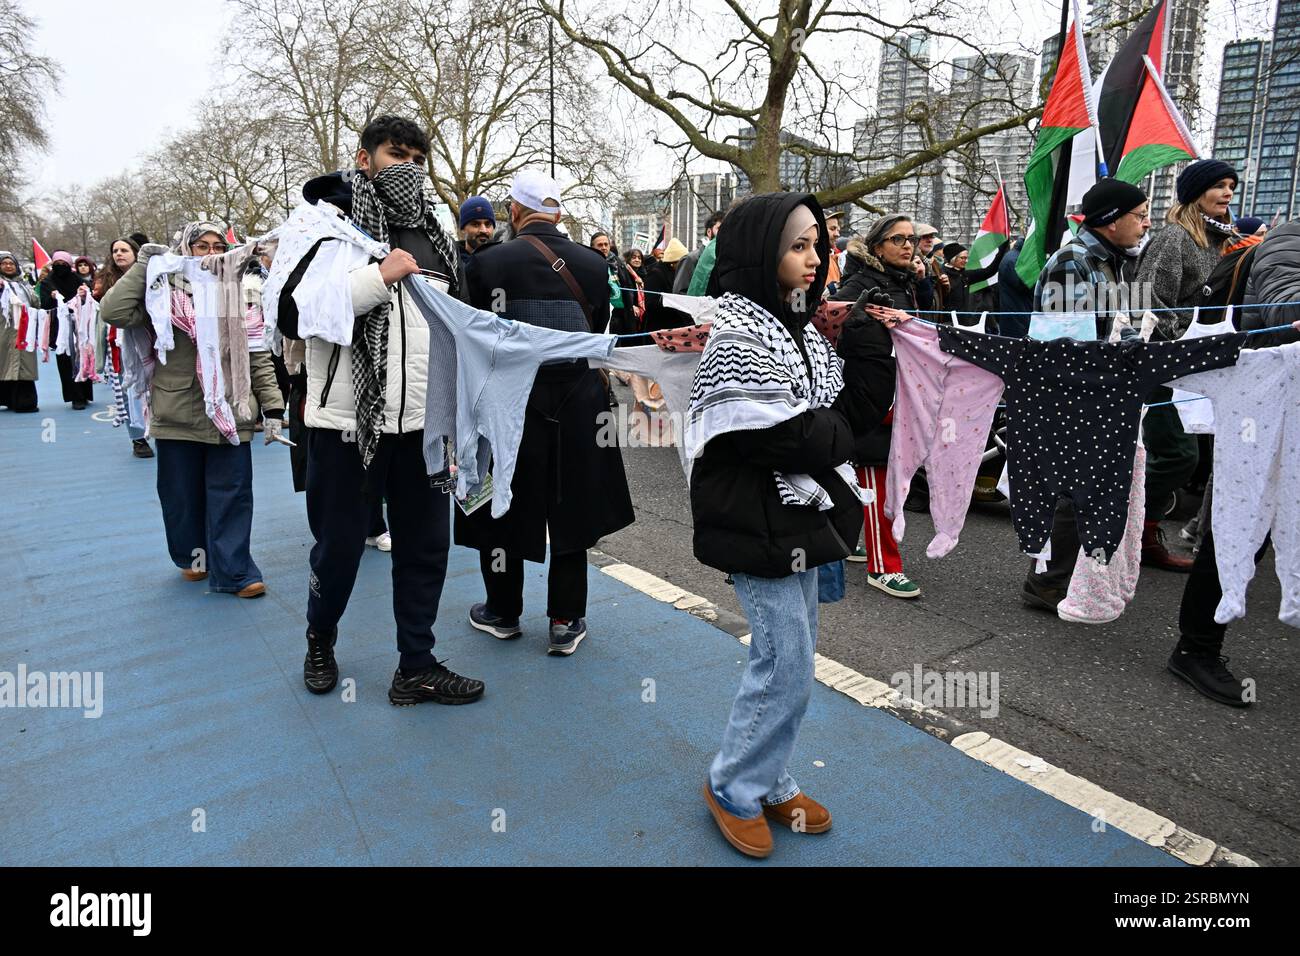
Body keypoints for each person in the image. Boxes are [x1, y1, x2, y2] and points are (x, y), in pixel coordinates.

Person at [691, 192, 895, 858]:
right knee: (784, 664)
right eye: (798, 245)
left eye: (818, 245)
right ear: (759, 251)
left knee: (792, 659)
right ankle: (732, 786)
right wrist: (836, 434)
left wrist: (868, 348)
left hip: (797, 520)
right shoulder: (737, 331)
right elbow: (789, 438)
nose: (814, 259)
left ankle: (768, 778)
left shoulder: (803, 330)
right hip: (754, 520)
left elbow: (847, 418)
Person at [280, 114, 484, 706]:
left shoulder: (437, 237)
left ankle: (415, 665)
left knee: (425, 548)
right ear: (364, 158)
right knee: (339, 547)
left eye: (419, 158)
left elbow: (461, 327)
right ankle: (320, 637)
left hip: (423, 426)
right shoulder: (325, 231)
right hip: (345, 426)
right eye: (397, 154)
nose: (410, 167)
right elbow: (293, 314)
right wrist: (376, 277)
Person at [459, 169, 635, 656]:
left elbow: (474, 336)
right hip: (578, 397)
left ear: (514, 211)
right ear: (558, 212)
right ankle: (565, 619)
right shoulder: (595, 265)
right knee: (574, 503)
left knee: (502, 500)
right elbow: (597, 328)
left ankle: (502, 610)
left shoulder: (488, 263)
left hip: (511, 400)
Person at [100, 222, 283, 597]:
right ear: (185, 249)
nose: (211, 253)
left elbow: (258, 355)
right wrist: (143, 265)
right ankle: (192, 557)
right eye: (202, 246)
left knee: (233, 492)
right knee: (181, 495)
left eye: (218, 246)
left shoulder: (241, 290)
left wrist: (273, 406)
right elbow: (113, 311)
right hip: (177, 408)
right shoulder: (160, 292)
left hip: (232, 410)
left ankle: (236, 572)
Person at [1165, 217, 1300, 707]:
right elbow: (1284, 300)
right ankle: (1196, 648)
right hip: (1269, 413)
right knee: (1240, 528)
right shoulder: (1288, 241)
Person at [1021, 178, 1151, 612]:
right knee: (1073, 488)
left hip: (1102, 391)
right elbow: (1065, 344)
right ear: (1111, 221)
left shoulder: (1113, 261)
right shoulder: (1072, 262)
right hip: (1074, 394)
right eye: (1139, 214)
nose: (1145, 222)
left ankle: (1061, 578)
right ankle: (1046, 583)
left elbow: (1115, 324)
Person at [1136, 159, 1240, 573]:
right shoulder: (1174, 238)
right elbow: (1148, 301)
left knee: (1188, 455)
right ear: (1196, 192)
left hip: (1200, 365)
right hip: (1166, 363)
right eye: (1218, 185)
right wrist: (1186, 339)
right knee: (1178, 455)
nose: (1228, 193)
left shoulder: (1224, 240)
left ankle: (1143, 532)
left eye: (1232, 185)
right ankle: (1132, 526)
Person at [833, 214, 923, 597]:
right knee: (876, 476)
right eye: (898, 239)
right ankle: (883, 566)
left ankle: (847, 540)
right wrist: (857, 323)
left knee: (867, 476)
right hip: (869, 397)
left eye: (912, 240)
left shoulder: (910, 284)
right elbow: (829, 331)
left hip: (899, 392)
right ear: (877, 247)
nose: (908, 246)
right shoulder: (859, 284)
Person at [92, 237, 153, 457]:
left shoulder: (151, 276)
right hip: (118, 342)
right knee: (129, 390)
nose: (119, 254)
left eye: (124, 250)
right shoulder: (104, 281)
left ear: (136, 253)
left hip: (148, 338)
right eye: (115, 250)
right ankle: (138, 439)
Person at [37, 251, 96, 409]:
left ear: (70, 265)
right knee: (66, 362)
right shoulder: (47, 282)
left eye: (64, 264)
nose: (61, 267)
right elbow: (44, 304)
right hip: (60, 328)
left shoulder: (77, 280)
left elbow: (89, 298)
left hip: (80, 325)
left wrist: (83, 297)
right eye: (57, 264)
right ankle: (75, 396)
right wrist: (52, 297)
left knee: (82, 356)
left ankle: (85, 393)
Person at [0, 250, 39, 413]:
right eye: (4, 263)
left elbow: (35, 302)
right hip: (4, 331)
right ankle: (6, 399)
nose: (8, 266)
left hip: (24, 332)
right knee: (4, 363)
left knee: (24, 366)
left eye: (11, 263)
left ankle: (25, 402)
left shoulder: (23, 285)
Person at [939, 240, 1008, 318]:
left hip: (964, 320)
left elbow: (989, 271)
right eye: (963, 258)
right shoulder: (941, 274)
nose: (966, 261)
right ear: (952, 259)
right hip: (946, 321)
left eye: (967, 258)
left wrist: (1001, 251)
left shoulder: (965, 275)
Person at [674, 211, 723, 293]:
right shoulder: (691, 259)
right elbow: (679, 292)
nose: (722, 233)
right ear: (709, 232)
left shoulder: (723, 258)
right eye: (719, 228)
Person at [457, 195, 495, 295]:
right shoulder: (453, 262)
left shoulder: (503, 261)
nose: (483, 230)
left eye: (488, 224)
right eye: (475, 224)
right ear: (463, 229)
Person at [996, 236, 1033, 337]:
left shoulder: (1017, 257)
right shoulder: (1014, 260)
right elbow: (1023, 285)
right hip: (1017, 318)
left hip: (1020, 314)